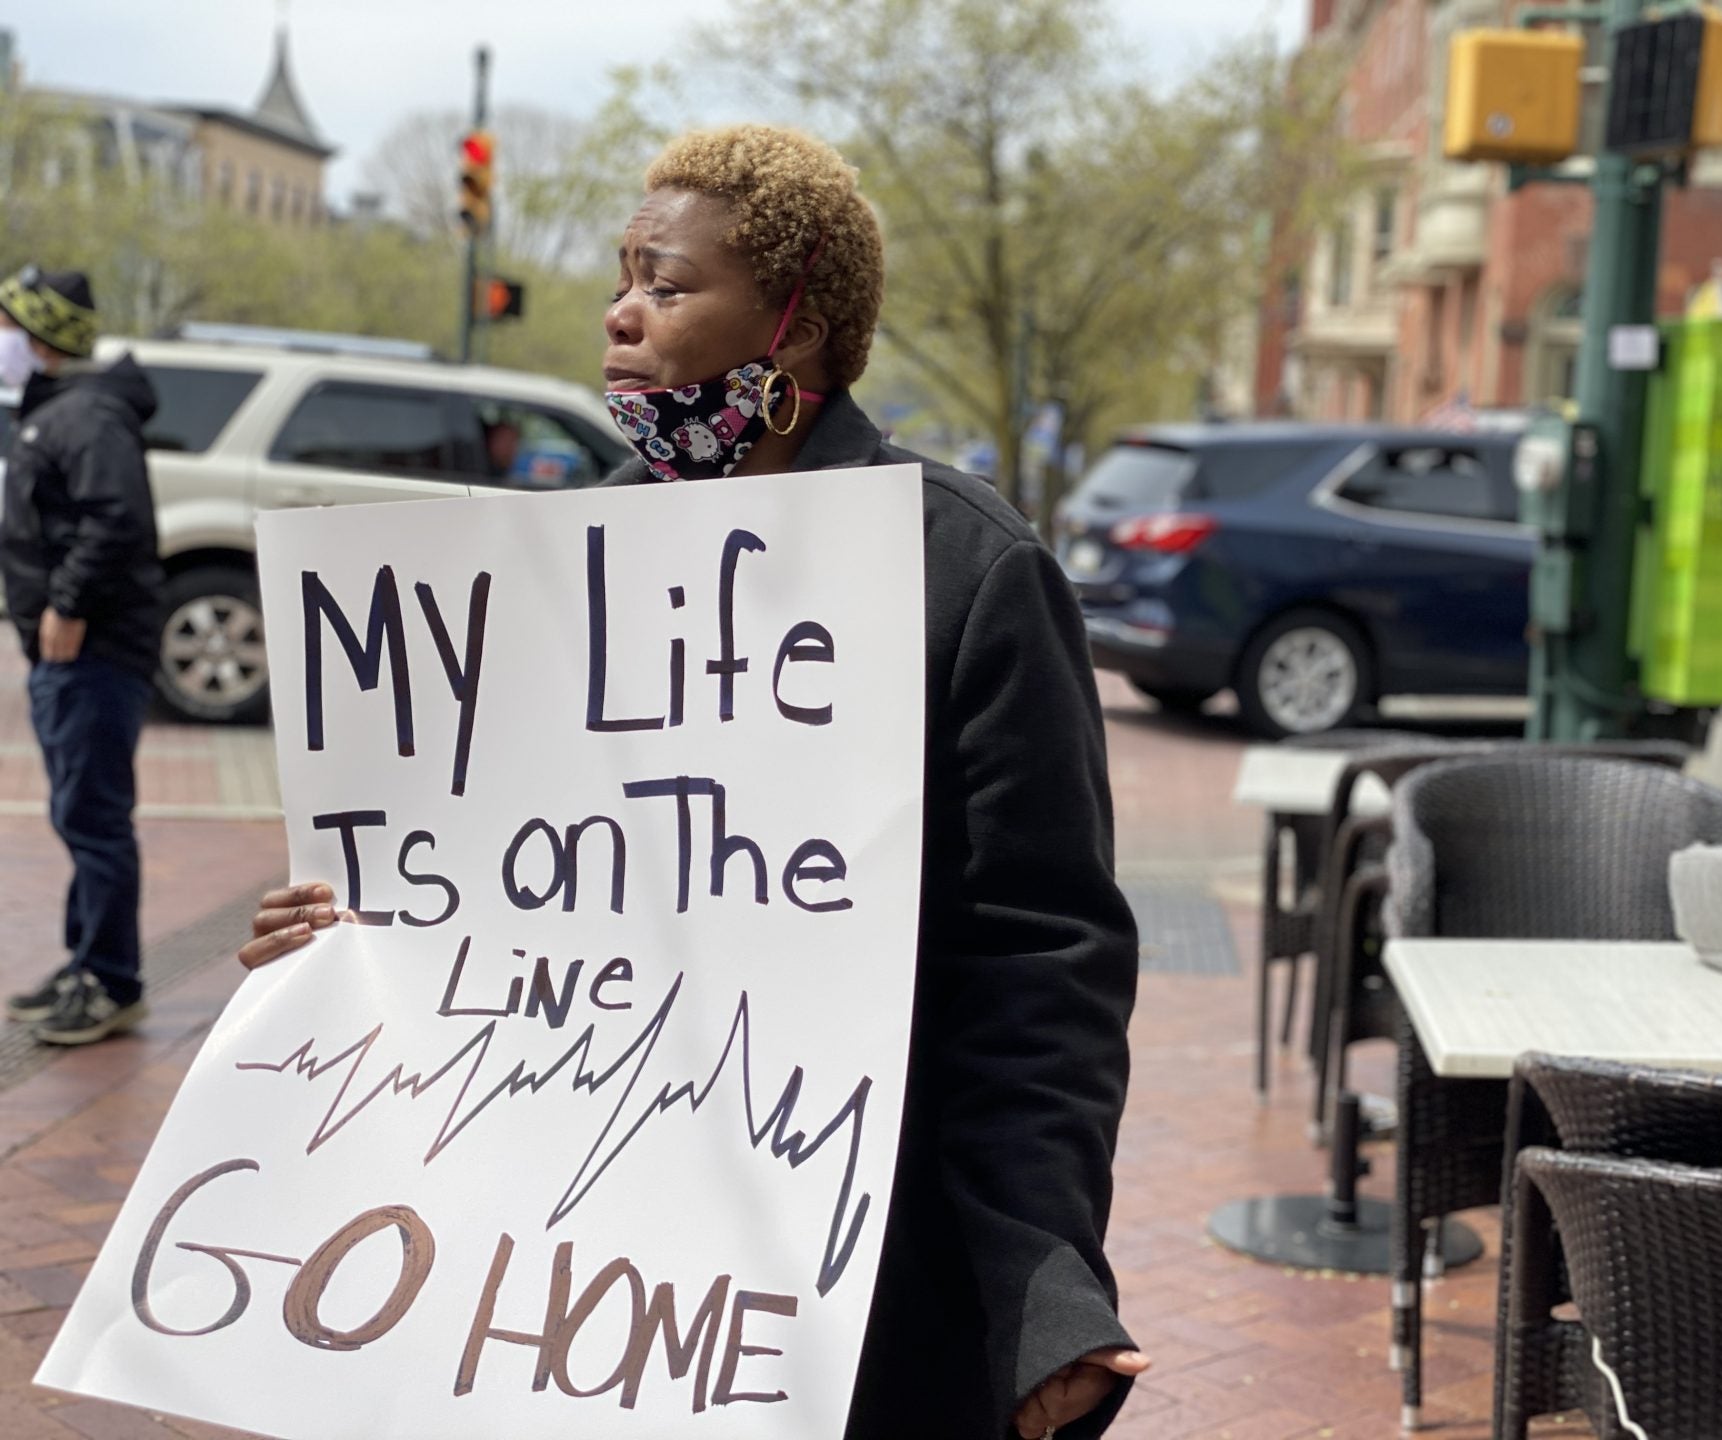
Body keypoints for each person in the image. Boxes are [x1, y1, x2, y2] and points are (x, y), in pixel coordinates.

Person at [239, 125, 1148, 1439]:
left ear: (798, 323)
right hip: (591, 1268)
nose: (619, 313)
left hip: (861, 1266)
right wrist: (340, 947)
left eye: (666, 285)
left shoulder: (966, 568)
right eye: (624, 278)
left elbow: (1040, 959)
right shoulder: (557, 561)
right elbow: (493, 890)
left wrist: (1045, 1280)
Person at [0, 266, 164, 1045]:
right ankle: (85, 961)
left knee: (95, 816)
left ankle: (111, 979)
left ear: (40, 338)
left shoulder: (88, 417)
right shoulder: (57, 412)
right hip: (63, 650)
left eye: (6, 326)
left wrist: (66, 603)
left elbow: (114, 521)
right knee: (77, 811)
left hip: (93, 649)